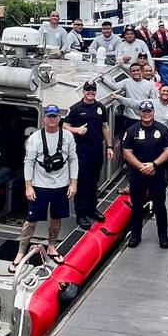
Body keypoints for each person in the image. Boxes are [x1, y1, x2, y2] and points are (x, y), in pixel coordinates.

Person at [10, 105, 78, 266]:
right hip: (40, 185)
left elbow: (73, 159)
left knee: (56, 218)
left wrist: (73, 183)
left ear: (59, 118)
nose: (52, 119)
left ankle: (52, 246)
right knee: (30, 221)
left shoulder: (67, 136)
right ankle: (21, 252)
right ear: (44, 118)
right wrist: (28, 186)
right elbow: (29, 162)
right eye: (49, 116)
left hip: (61, 186)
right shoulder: (35, 138)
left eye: (55, 116)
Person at [123, 100, 168, 248]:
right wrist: (141, 167)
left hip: (156, 173)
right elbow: (127, 152)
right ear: (139, 113)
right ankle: (135, 236)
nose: (146, 114)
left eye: (149, 111)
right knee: (137, 206)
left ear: (153, 112)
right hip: (138, 174)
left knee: (160, 206)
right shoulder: (132, 131)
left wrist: (154, 164)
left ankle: (163, 236)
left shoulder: (162, 129)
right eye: (144, 111)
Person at [64, 80, 114, 228]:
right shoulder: (75, 108)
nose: (90, 92)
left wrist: (109, 146)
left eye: (93, 89)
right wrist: (77, 130)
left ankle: (92, 209)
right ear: (83, 91)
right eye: (88, 89)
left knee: (94, 180)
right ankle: (81, 214)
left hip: (97, 148)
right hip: (82, 149)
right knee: (82, 182)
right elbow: (65, 126)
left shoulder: (100, 107)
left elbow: (105, 127)